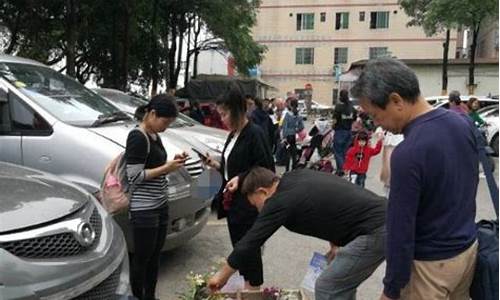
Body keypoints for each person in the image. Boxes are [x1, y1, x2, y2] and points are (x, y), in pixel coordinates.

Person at [351, 58, 479, 300]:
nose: (377, 123)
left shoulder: (408, 153)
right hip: (467, 252)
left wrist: (391, 289)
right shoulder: (462, 123)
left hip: (429, 267)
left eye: (376, 115)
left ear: (396, 100)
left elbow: (401, 229)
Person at [207, 167, 387, 299]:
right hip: (383, 218)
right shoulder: (294, 177)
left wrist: (221, 276)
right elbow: (329, 204)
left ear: (263, 191)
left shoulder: (278, 201)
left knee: (328, 286)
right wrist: (335, 242)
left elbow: (251, 240)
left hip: (377, 229)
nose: (259, 211)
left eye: (256, 205)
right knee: (340, 285)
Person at [202, 86, 275, 290]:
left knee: (248, 250)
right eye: (220, 114)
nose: (222, 119)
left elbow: (265, 169)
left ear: (237, 110)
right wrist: (216, 164)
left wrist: (241, 178)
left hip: (248, 204)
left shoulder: (255, 134)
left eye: (225, 114)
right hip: (234, 203)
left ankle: (253, 289)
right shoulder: (233, 134)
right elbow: (234, 166)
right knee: (240, 248)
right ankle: (247, 285)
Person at [126, 94, 189, 300]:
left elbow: (155, 168)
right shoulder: (137, 136)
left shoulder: (155, 135)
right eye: (165, 122)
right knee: (142, 258)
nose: (166, 127)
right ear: (152, 114)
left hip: (160, 204)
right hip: (144, 209)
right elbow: (133, 176)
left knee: (155, 257)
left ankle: (150, 296)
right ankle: (138, 296)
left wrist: (173, 164)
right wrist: (166, 167)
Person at [332, 89, 357, 176]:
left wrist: (332, 126)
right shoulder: (352, 107)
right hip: (348, 132)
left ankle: (342, 169)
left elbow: (334, 119)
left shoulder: (338, 107)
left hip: (339, 132)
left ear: (340, 97)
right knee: (344, 152)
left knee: (337, 151)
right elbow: (354, 118)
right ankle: (341, 169)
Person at [378, 130, 404, 197]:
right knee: (387, 168)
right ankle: (387, 189)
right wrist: (380, 131)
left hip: (399, 141)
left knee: (396, 167)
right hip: (389, 142)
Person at [281, 99, 304, 171]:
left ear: (290, 105)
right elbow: (302, 126)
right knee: (294, 152)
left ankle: (287, 169)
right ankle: (294, 168)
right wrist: (296, 130)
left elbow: (284, 126)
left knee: (287, 153)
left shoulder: (287, 114)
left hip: (288, 135)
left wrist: (284, 137)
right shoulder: (299, 115)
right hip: (294, 135)